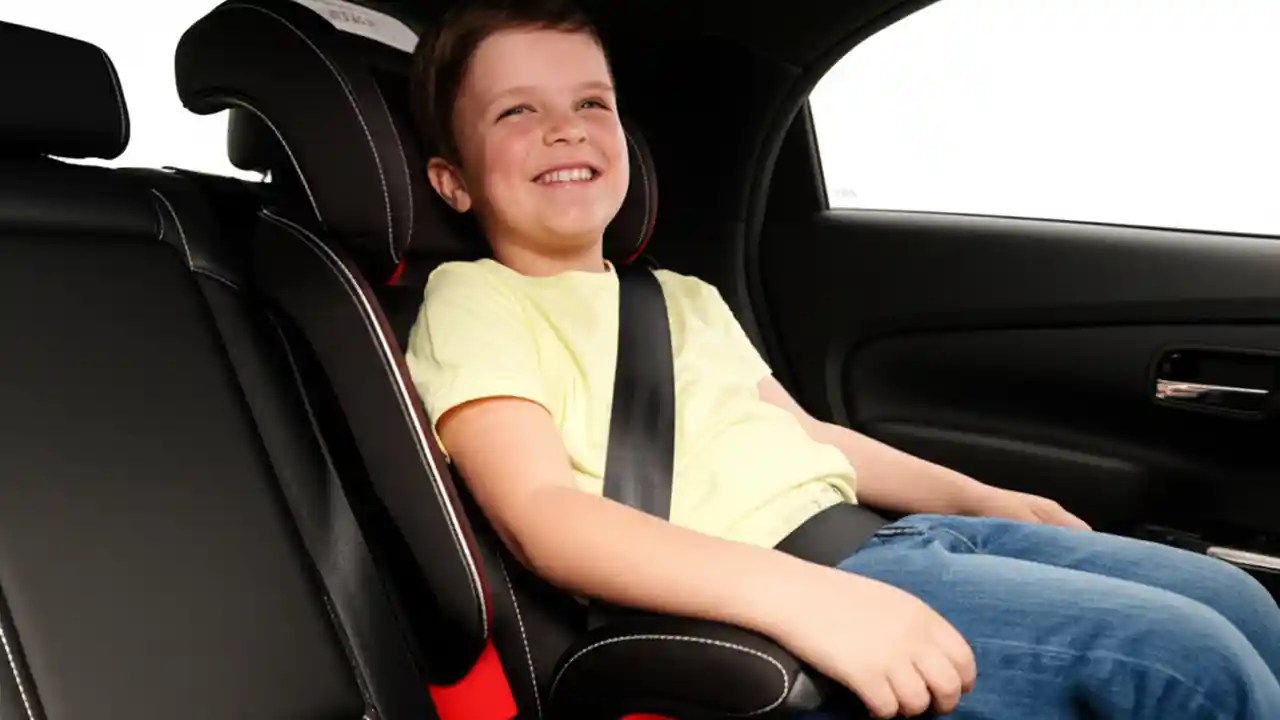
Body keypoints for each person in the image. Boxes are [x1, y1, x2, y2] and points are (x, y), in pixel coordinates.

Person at [402, 1, 1280, 717]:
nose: (566, 130)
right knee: (1186, 670)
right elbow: (544, 514)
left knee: (1241, 602)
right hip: (786, 586)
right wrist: (802, 599)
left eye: (591, 103)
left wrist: (982, 498)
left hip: (898, 539)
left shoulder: (679, 296)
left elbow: (813, 436)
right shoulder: (476, 299)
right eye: (518, 111)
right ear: (453, 181)